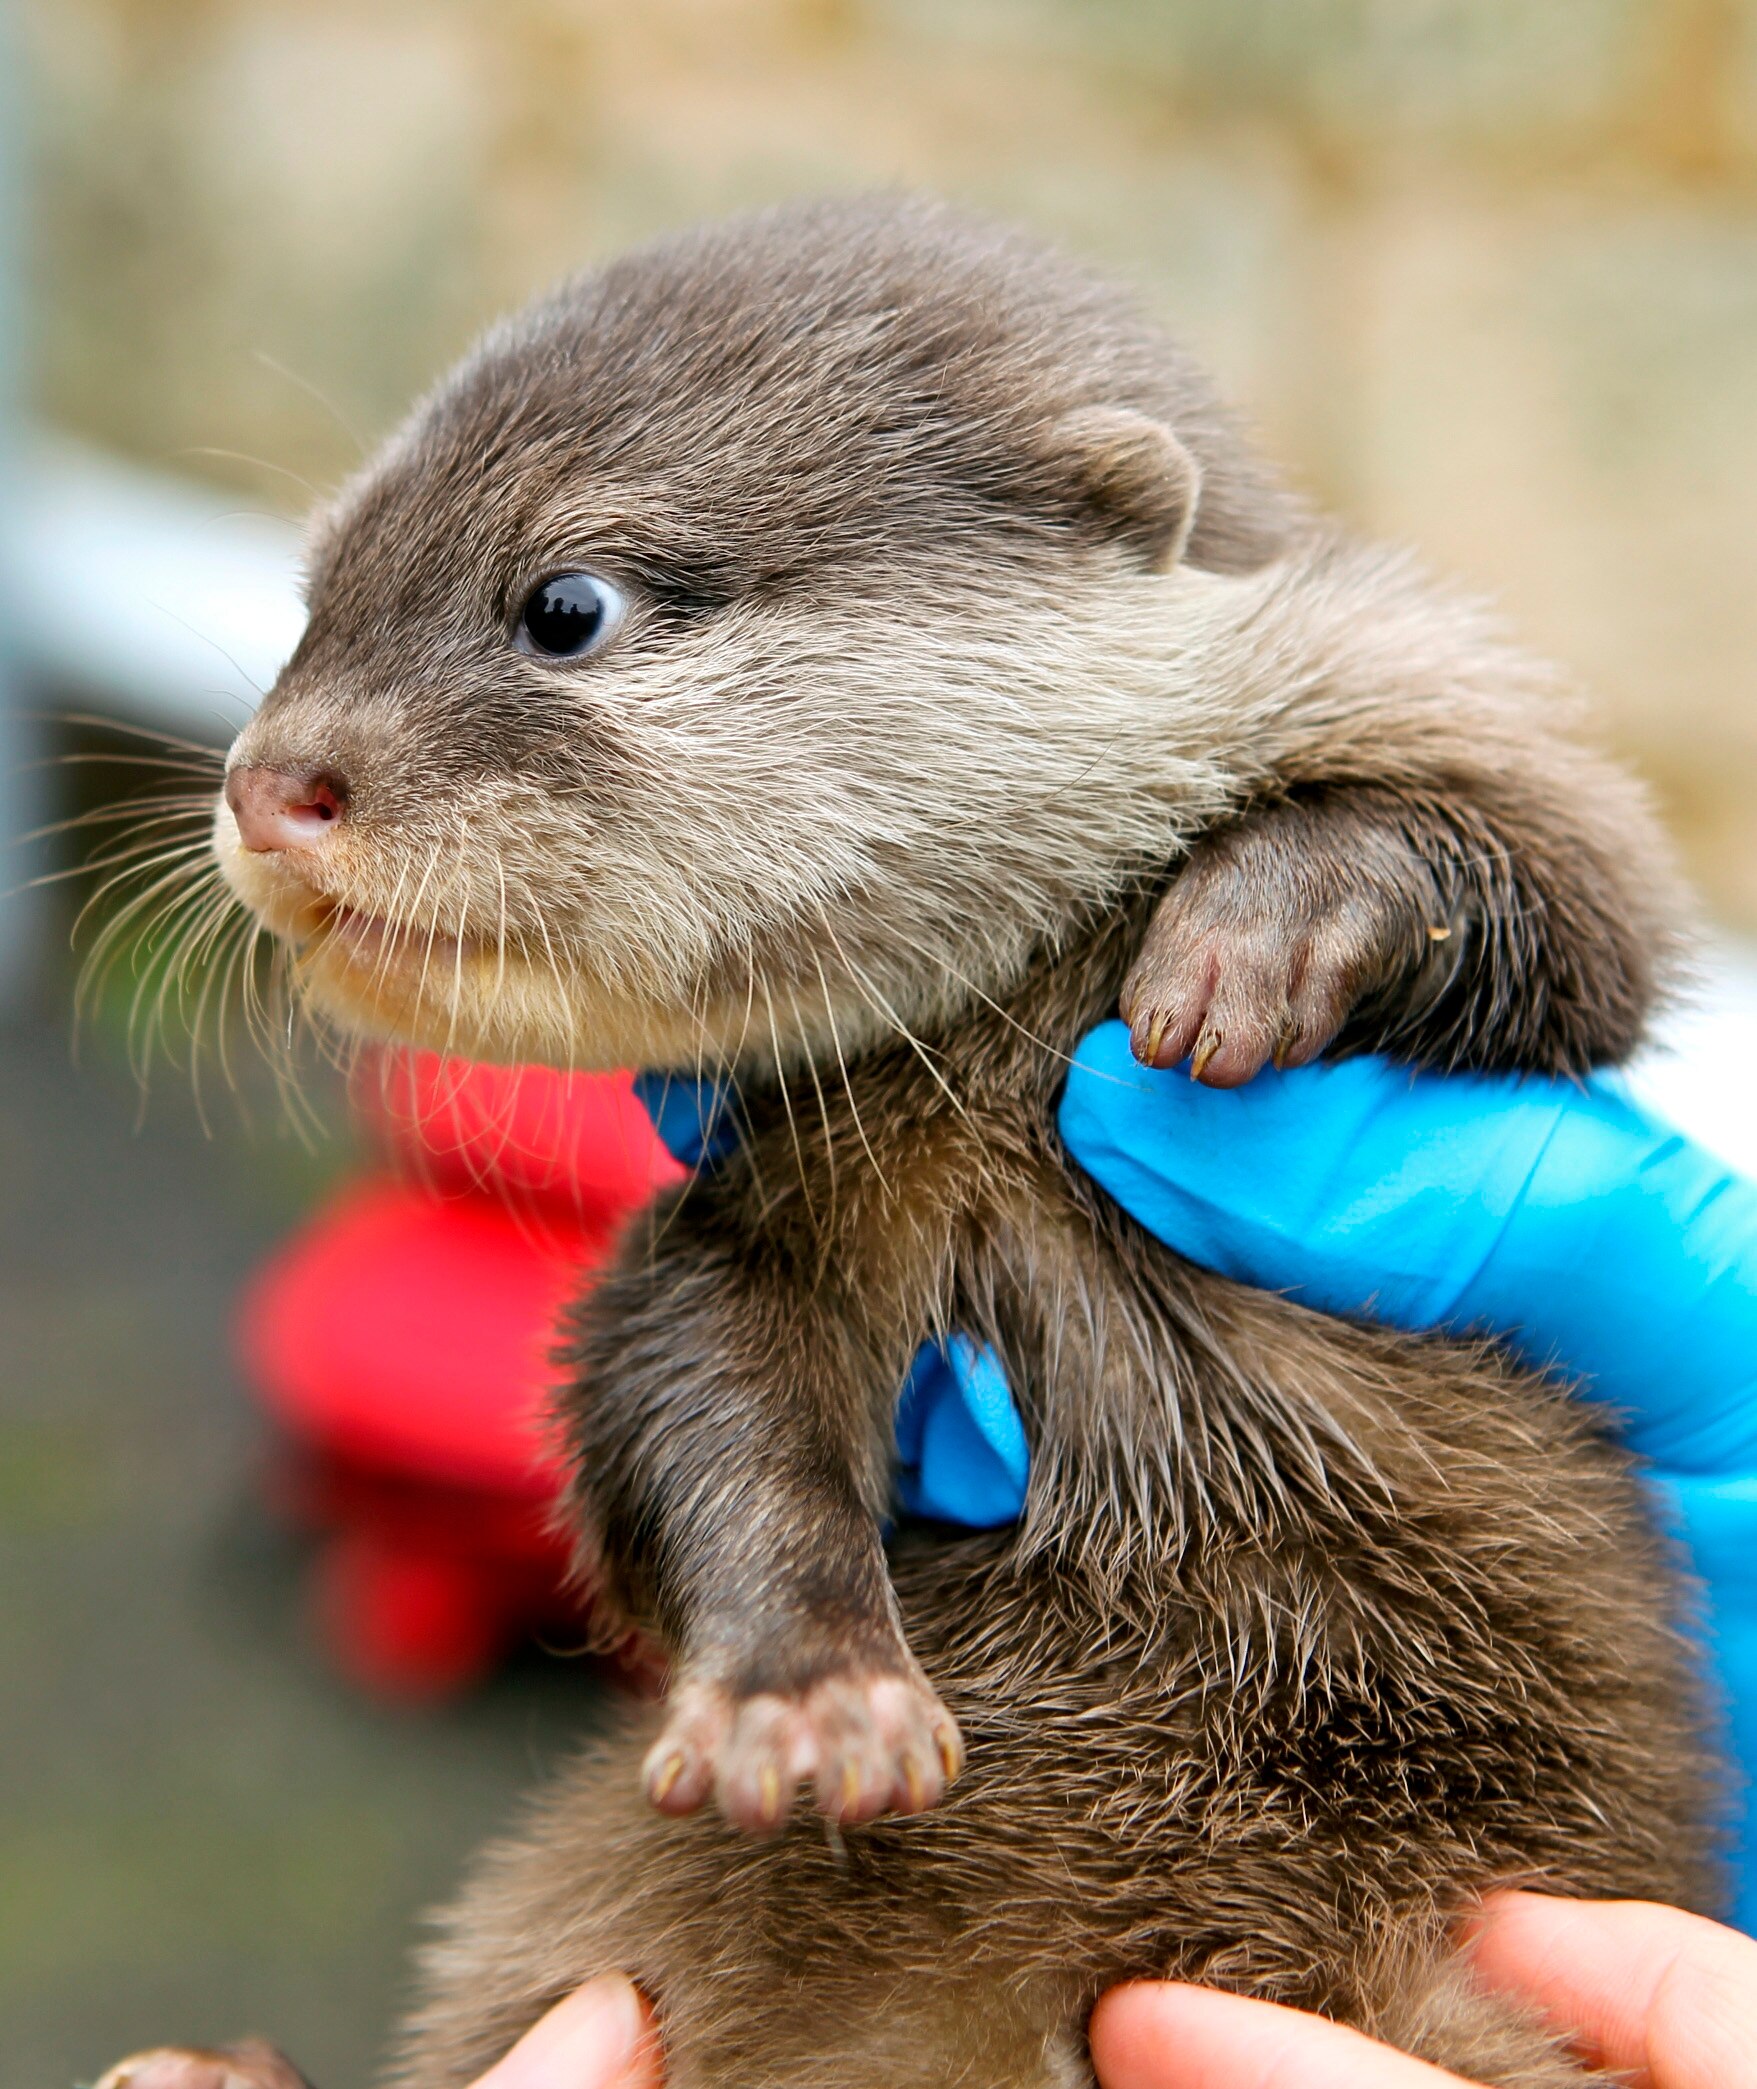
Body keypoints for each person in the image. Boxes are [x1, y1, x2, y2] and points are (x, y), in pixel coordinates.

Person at [529, 1039, 1757, 2087]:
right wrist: (786, 1621)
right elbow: (661, 1423)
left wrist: (1372, 885)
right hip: (870, 1965)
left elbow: (1550, 916)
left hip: (1443, 1900)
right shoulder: (796, 1127)